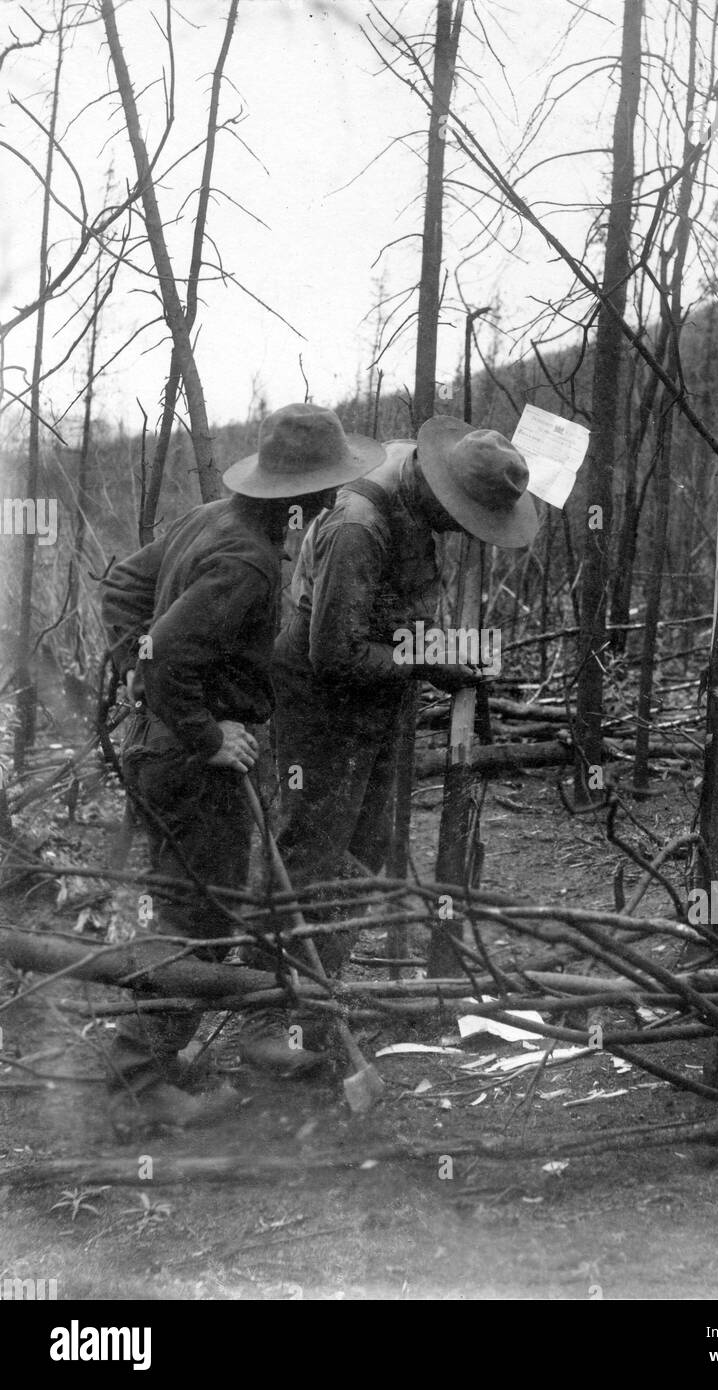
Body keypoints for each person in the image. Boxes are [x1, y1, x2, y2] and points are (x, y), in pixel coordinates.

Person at [101, 404, 383, 1127]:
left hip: (159, 751)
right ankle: (137, 1085)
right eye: (323, 490)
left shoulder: (209, 519)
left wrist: (139, 661)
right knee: (200, 918)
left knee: (191, 906)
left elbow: (124, 588)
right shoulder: (248, 565)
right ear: (297, 499)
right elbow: (168, 652)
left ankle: (150, 1061)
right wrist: (206, 733)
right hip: (187, 766)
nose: (329, 501)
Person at [271, 416, 538, 995]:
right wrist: (421, 661)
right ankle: (286, 1001)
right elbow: (336, 656)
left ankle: (324, 983)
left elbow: (390, 625)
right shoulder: (360, 524)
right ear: (440, 491)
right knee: (318, 846)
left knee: (369, 845)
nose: (460, 531)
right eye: (460, 517)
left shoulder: (417, 486)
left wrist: (428, 654)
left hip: (376, 687)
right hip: (324, 698)